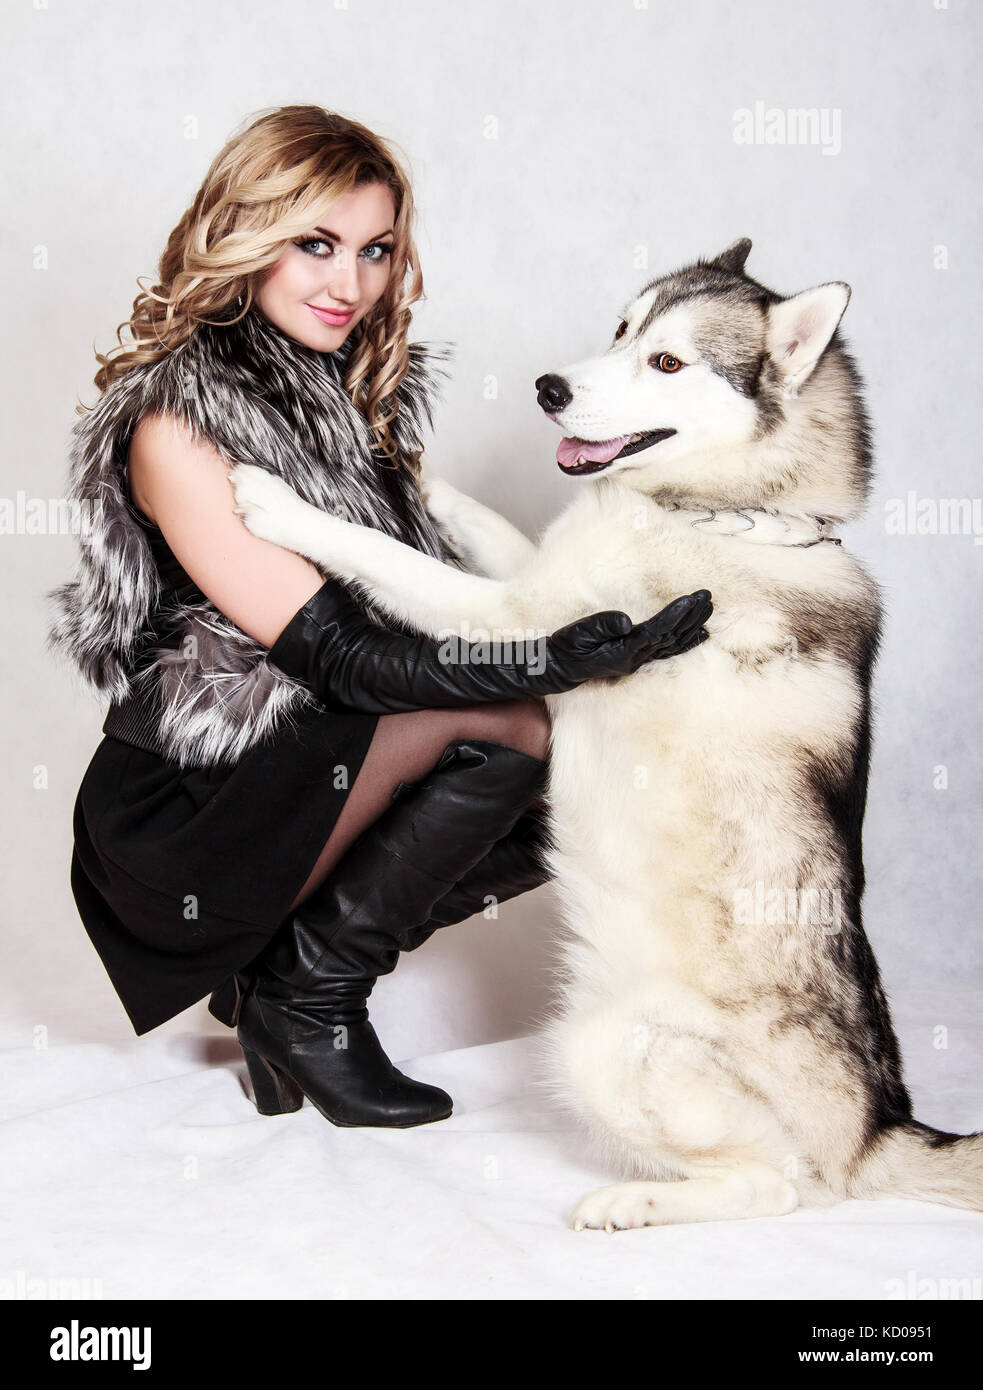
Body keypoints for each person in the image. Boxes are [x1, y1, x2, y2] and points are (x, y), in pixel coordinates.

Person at [47, 104, 712, 1131]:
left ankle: (285, 978)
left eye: (373, 250)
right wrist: (543, 661)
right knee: (526, 725)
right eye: (314, 243)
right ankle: (308, 999)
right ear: (247, 236)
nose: (347, 283)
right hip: (189, 815)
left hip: (307, 768)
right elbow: (341, 658)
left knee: (595, 761)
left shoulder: (353, 403)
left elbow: (398, 635)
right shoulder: (176, 421)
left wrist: (586, 654)